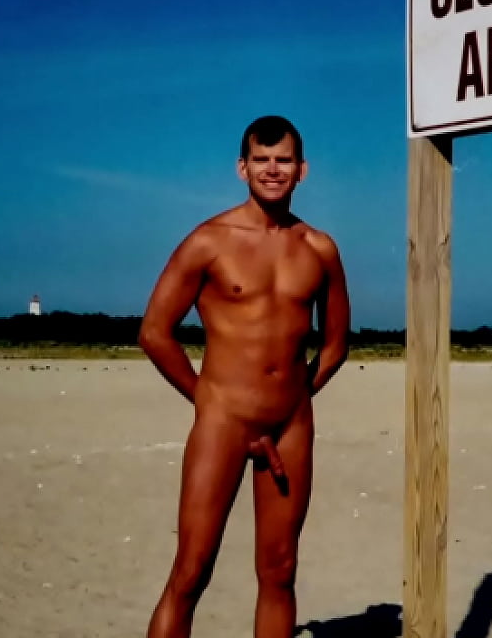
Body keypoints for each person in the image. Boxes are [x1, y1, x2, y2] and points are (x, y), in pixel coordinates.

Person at [139, 115, 351, 638]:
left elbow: (335, 346)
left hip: (291, 426)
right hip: (224, 424)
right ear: (242, 168)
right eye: (261, 160)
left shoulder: (319, 248)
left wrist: (294, 396)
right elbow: (155, 332)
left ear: (302, 170)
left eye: (283, 160)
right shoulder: (208, 242)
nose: (272, 170)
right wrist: (207, 399)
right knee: (192, 571)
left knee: (280, 572)